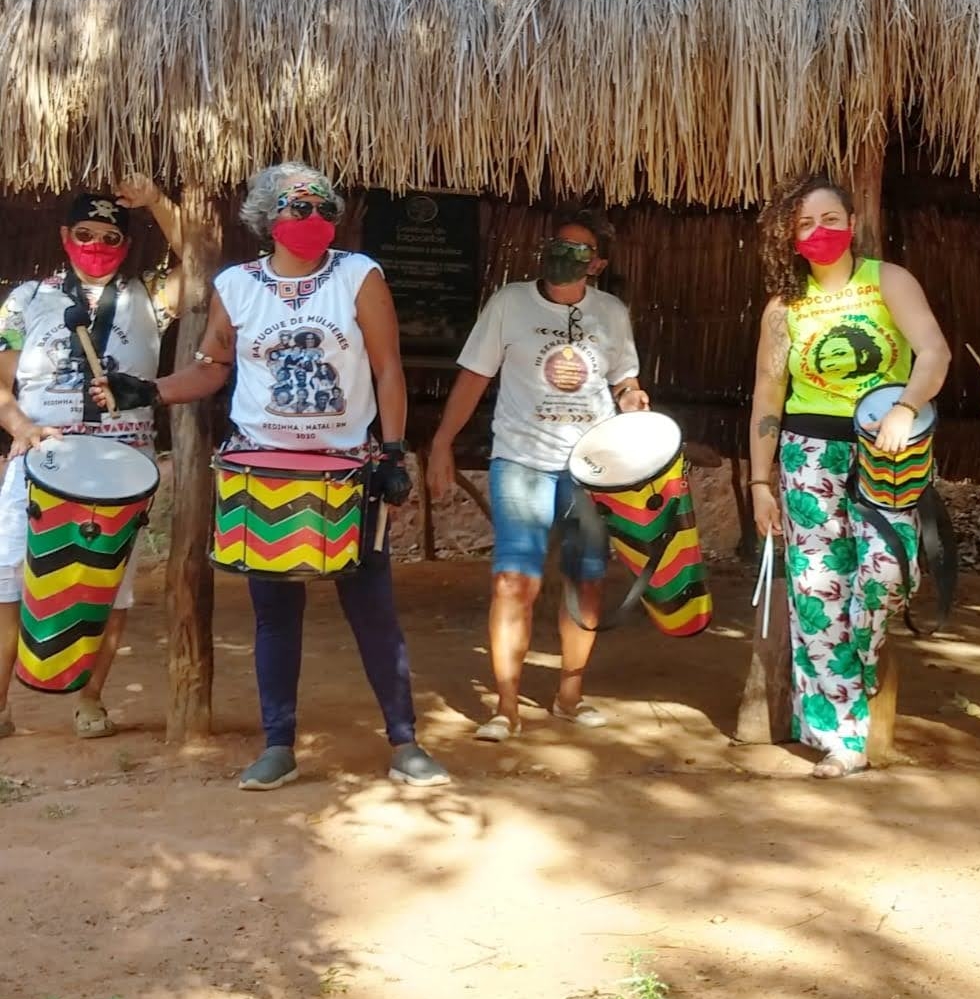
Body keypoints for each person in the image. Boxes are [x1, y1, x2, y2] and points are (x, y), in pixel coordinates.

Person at [92, 161, 448, 790]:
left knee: (373, 610)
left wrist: (393, 453)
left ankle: (405, 741)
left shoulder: (358, 277)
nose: (311, 221)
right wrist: (145, 390)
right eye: (295, 208)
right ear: (266, 220)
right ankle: (278, 745)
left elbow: (388, 369)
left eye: (321, 209)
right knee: (274, 616)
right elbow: (211, 370)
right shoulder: (237, 285)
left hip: (348, 471)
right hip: (264, 473)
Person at [748, 176, 950, 778]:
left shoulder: (888, 280)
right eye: (805, 224)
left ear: (852, 220)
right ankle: (841, 738)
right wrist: (761, 483)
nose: (819, 232)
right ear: (788, 235)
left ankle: (857, 674)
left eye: (830, 219)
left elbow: (934, 352)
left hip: (884, 445)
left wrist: (907, 407)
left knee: (888, 572)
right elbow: (768, 392)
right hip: (807, 452)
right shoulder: (784, 307)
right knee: (816, 590)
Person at [427, 212, 647, 738]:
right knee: (512, 581)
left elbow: (624, 379)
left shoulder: (611, 314)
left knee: (586, 580)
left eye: (578, 250)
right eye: (557, 245)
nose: (563, 255)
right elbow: (474, 377)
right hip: (522, 459)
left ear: (597, 264)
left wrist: (633, 398)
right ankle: (505, 709)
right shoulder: (509, 304)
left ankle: (570, 693)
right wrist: (441, 442)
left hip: (592, 466)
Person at [0, 178, 183, 739]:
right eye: (84, 233)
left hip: (120, 466)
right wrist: (21, 426)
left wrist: (156, 204)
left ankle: (91, 699)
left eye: (109, 236)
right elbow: (1, 384)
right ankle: (0, 707)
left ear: (126, 243)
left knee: (110, 586)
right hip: (41, 459)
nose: (96, 243)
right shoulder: (25, 299)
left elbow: (197, 257)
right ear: (64, 236)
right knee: (9, 582)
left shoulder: (153, 298)